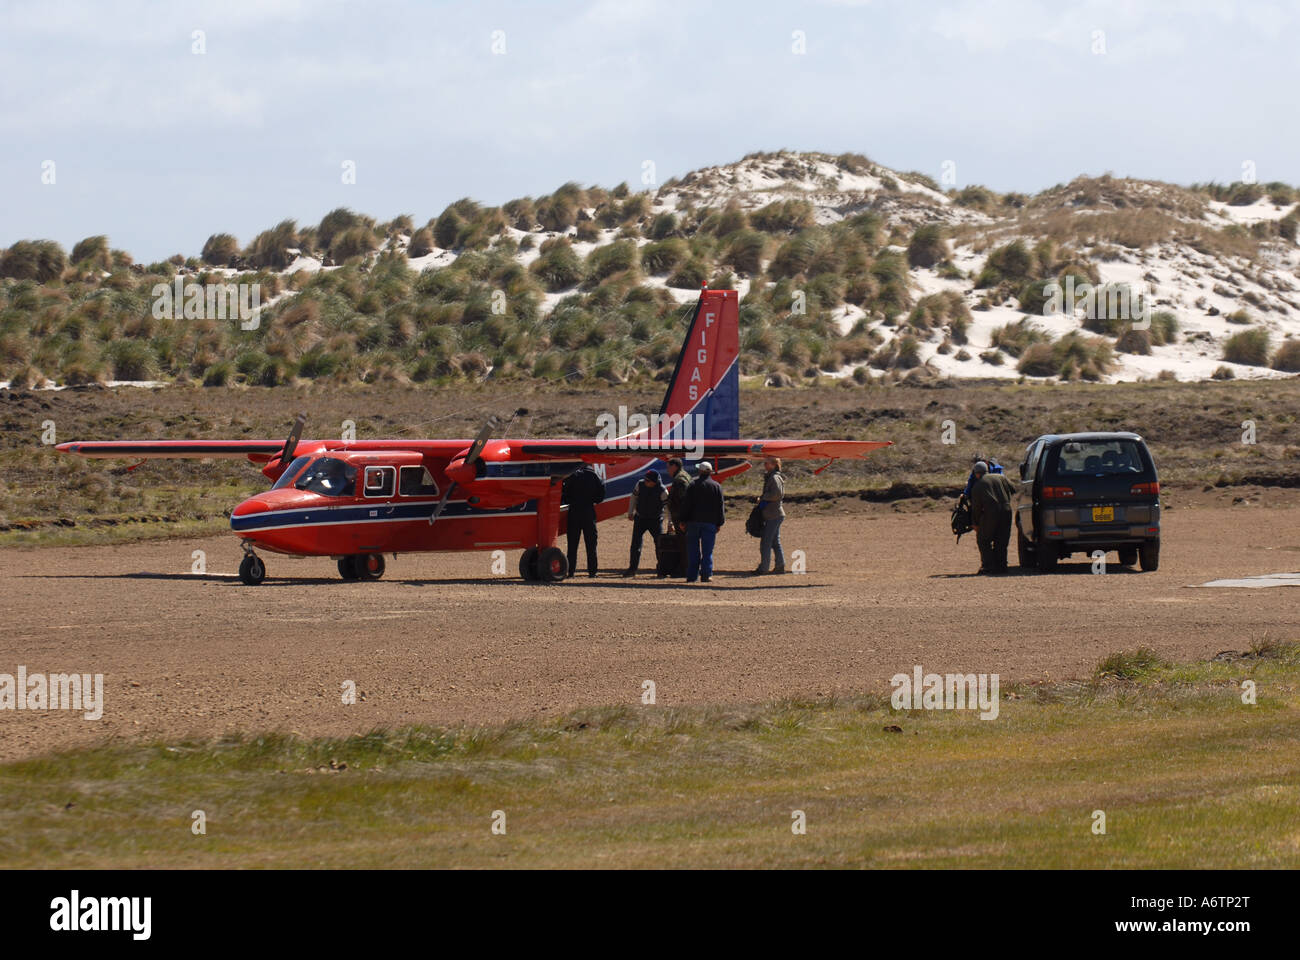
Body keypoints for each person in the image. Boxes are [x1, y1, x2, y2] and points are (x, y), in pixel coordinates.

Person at [969, 460, 1017, 574]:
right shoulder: (1000, 477)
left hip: (990, 513)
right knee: (1001, 540)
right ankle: (1001, 566)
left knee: (983, 540)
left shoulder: (977, 485)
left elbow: (976, 507)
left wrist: (975, 523)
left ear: (977, 473)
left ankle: (988, 566)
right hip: (1007, 511)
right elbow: (1013, 489)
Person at [682, 460, 724, 583]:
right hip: (710, 523)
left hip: (693, 522)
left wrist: (683, 520)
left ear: (700, 471)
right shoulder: (716, 486)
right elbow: (720, 506)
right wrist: (719, 523)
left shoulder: (692, 485)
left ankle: (692, 576)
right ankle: (706, 575)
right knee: (707, 551)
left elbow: (686, 505)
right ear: (710, 472)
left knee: (693, 551)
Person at [561, 463, 605, 578]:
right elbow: (600, 496)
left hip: (574, 511)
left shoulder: (573, 476)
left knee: (572, 544)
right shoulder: (594, 476)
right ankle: (592, 572)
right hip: (588, 512)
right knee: (591, 544)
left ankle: (570, 572)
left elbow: (564, 493)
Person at [623, 469, 666, 577]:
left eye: (648, 480)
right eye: (645, 479)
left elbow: (668, 507)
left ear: (654, 482)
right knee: (635, 545)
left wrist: (670, 522)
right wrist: (630, 512)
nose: (645, 481)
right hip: (640, 518)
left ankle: (661, 569)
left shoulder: (663, 491)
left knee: (660, 545)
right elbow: (633, 497)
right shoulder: (640, 484)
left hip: (655, 520)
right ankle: (632, 569)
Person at [754, 456, 785, 574]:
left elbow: (776, 494)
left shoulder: (774, 477)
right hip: (775, 513)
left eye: (767, 463)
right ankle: (780, 565)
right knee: (774, 541)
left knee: (766, 542)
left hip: (773, 514)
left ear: (773, 465)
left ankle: (764, 568)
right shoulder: (774, 476)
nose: (765, 465)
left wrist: (762, 498)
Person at [665, 457, 690, 532]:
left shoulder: (679, 480)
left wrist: (683, 520)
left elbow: (684, 501)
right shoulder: (685, 475)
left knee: (682, 540)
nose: (667, 470)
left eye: (668, 467)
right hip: (683, 518)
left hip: (680, 519)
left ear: (674, 467)